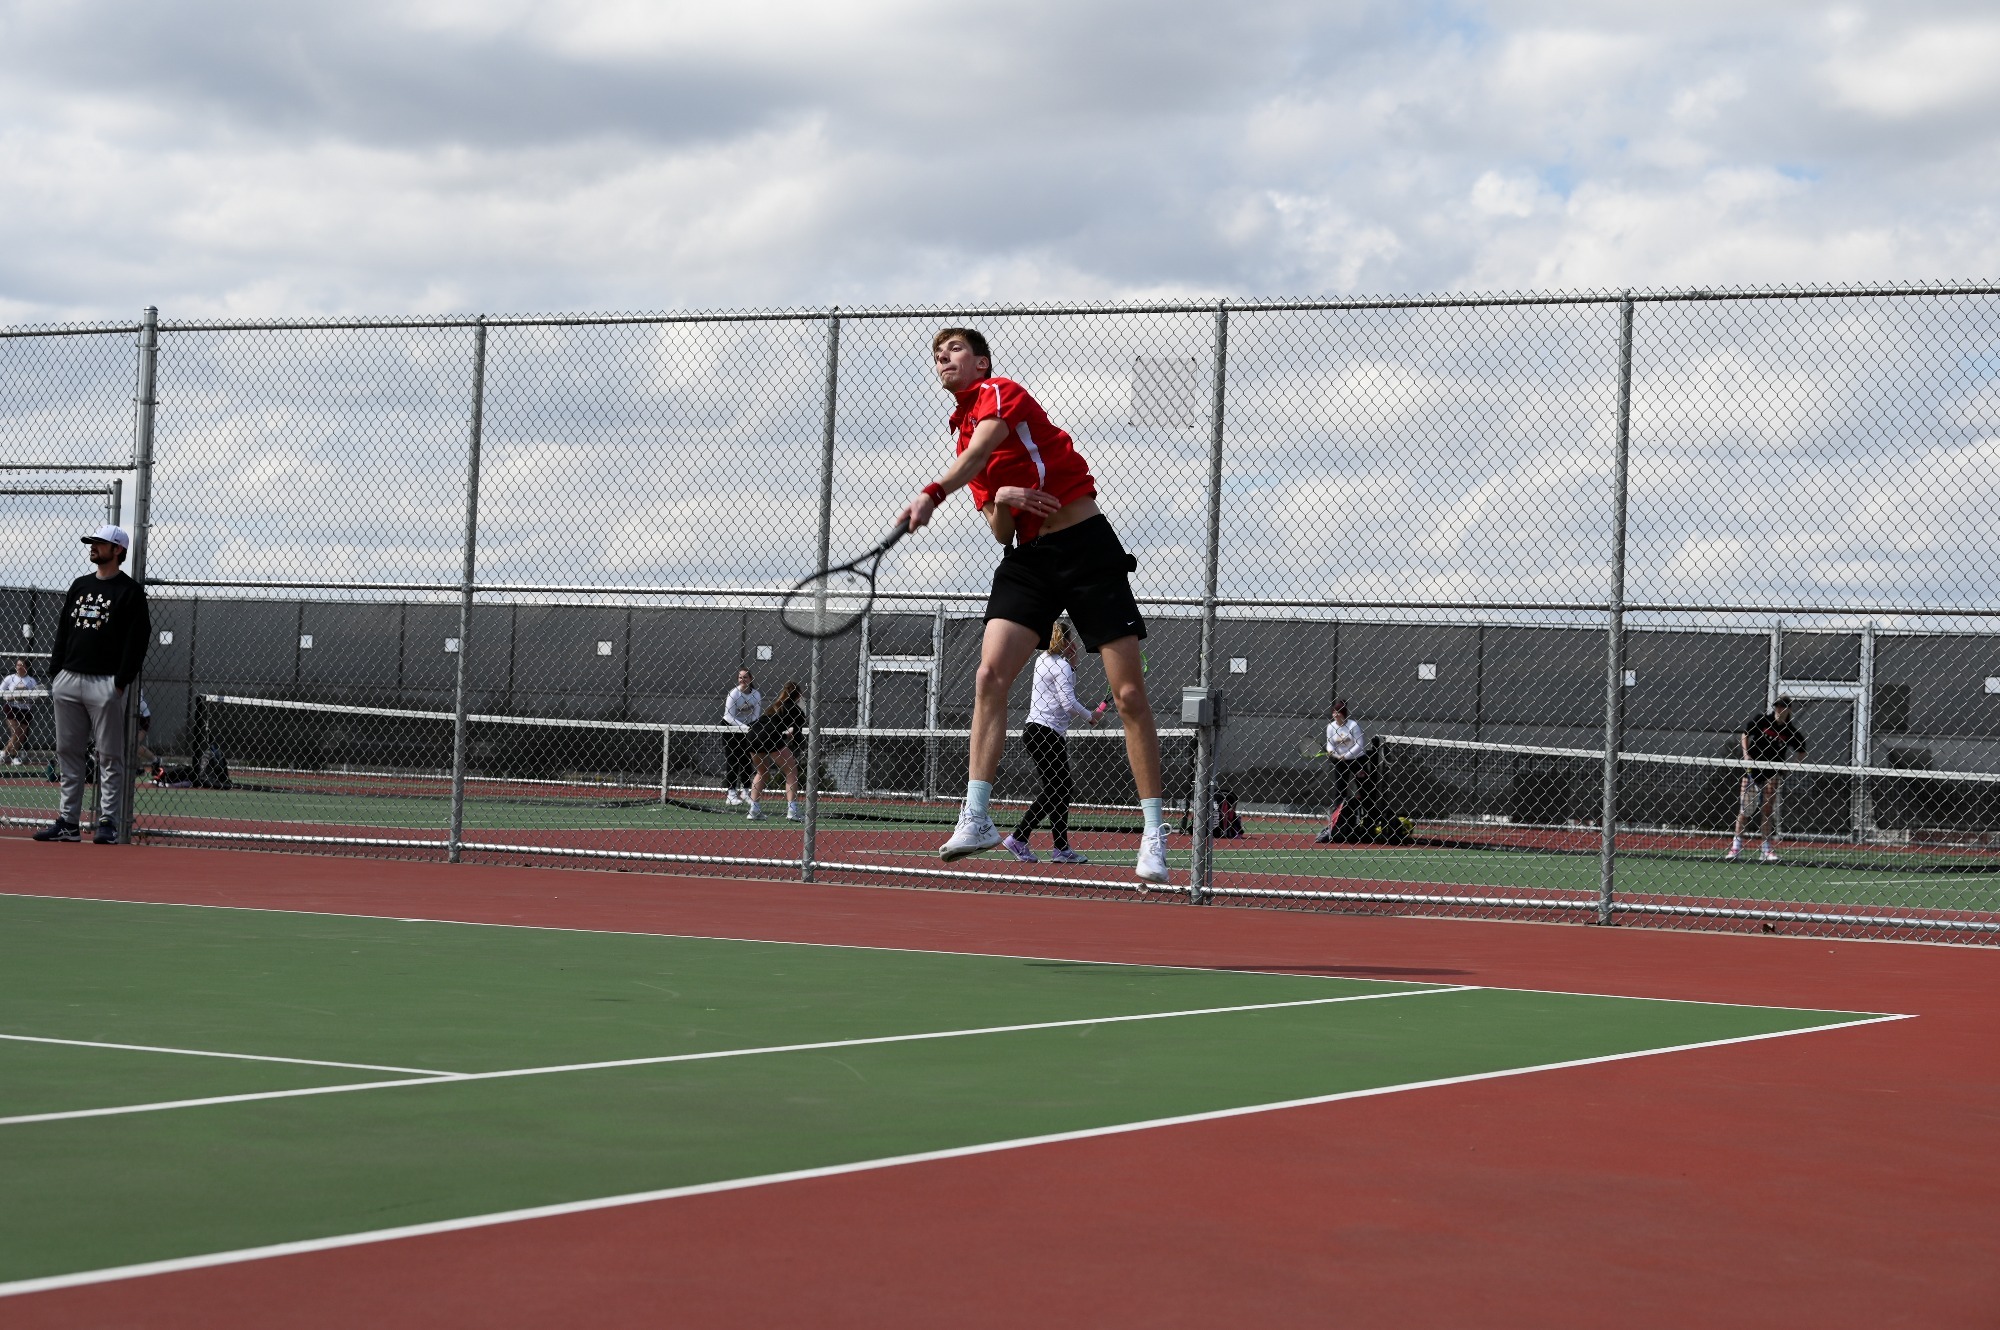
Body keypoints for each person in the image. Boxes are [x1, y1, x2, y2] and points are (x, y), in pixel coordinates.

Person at [897, 327, 1171, 886]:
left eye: (954, 350)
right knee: (989, 675)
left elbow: (979, 454)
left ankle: (1154, 833)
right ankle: (976, 815)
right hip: (1029, 559)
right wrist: (1003, 498)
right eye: (937, 353)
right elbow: (999, 531)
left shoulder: (999, 393)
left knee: (1128, 695)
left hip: (1086, 545)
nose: (943, 358)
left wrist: (932, 492)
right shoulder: (961, 440)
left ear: (981, 362)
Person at [34, 524, 151, 845]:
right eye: (93, 543)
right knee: (67, 751)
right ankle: (68, 822)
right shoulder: (80, 585)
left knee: (109, 756)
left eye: (100, 544)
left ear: (117, 551)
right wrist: (56, 672)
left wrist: (119, 682)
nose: (92, 547)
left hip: (105, 683)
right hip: (68, 678)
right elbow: (63, 630)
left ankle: (108, 823)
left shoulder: (130, 592)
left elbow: (137, 642)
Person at [1002, 621, 1109, 865]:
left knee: (1060, 788)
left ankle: (1060, 848)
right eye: (1073, 638)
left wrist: (1073, 666)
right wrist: (1091, 717)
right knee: (1059, 788)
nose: (1077, 643)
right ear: (1066, 640)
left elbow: (1060, 693)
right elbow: (1067, 703)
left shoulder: (1043, 660)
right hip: (1046, 733)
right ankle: (1019, 838)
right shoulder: (1061, 666)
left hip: (1037, 732)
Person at [1731, 697, 1808, 862]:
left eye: (1783, 707)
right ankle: (1736, 847)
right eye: (1777, 707)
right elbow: (1745, 733)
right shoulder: (1762, 720)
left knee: (1767, 810)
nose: (1779, 710)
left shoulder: (1791, 731)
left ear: (1789, 710)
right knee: (1744, 810)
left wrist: (1791, 766)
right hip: (1753, 769)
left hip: (1773, 772)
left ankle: (1765, 849)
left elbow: (1802, 750)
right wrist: (1746, 754)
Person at [744, 681, 806, 822]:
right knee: (791, 770)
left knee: (762, 771)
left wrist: (784, 736)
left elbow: (770, 727)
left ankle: (754, 809)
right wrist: (791, 736)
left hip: (753, 734)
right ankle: (792, 810)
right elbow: (796, 738)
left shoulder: (775, 706)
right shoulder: (798, 712)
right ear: (799, 695)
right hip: (769, 737)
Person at [1314, 699, 1366, 844]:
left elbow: (1359, 745)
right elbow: (1330, 744)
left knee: (1363, 789)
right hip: (1339, 762)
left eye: (1337, 712)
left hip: (1357, 760)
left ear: (1343, 714)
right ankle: (1338, 819)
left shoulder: (1353, 725)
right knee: (1340, 790)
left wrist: (1347, 756)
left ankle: (1366, 820)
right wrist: (1333, 753)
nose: (1335, 715)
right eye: (1334, 712)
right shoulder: (1330, 727)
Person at [721, 668, 761, 805]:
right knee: (733, 760)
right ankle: (731, 793)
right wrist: (743, 727)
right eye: (740, 677)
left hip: (747, 730)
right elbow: (728, 716)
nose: (742, 680)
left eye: (745, 677)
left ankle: (745, 791)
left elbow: (755, 715)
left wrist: (751, 728)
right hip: (730, 729)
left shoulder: (756, 695)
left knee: (747, 759)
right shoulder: (734, 694)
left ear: (750, 679)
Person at [2, 658, 37, 766]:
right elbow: (1, 691)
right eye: (18, 665)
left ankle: (13, 756)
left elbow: (35, 695)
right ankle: (3, 754)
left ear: (26, 667)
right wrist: (12, 697)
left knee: (21, 736)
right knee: (16, 733)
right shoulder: (10, 678)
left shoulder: (31, 681)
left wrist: (27, 696)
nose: (19, 667)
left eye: (22, 665)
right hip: (12, 707)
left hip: (25, 709)